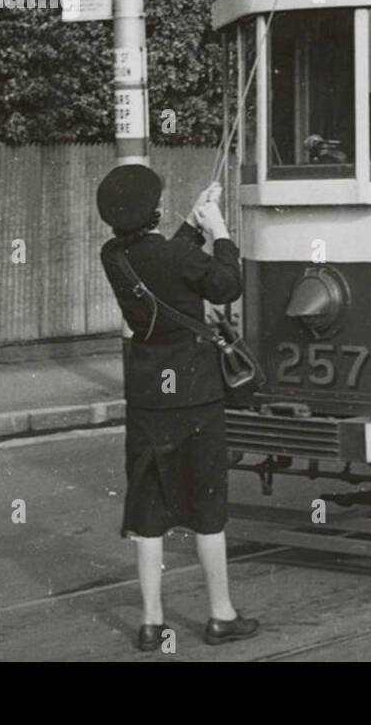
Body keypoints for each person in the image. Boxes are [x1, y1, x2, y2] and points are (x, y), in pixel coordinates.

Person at [95, 164, 259, 652]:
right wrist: (221, 231)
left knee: (148, 507)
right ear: (154, 213)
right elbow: (225, 284)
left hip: (147, 397)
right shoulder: (175, 258)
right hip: (195, 395)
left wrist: (191, 220)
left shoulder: (111, 255)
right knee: (207, 507)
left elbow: (165, 262)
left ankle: (150, 623)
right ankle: (220, 615)